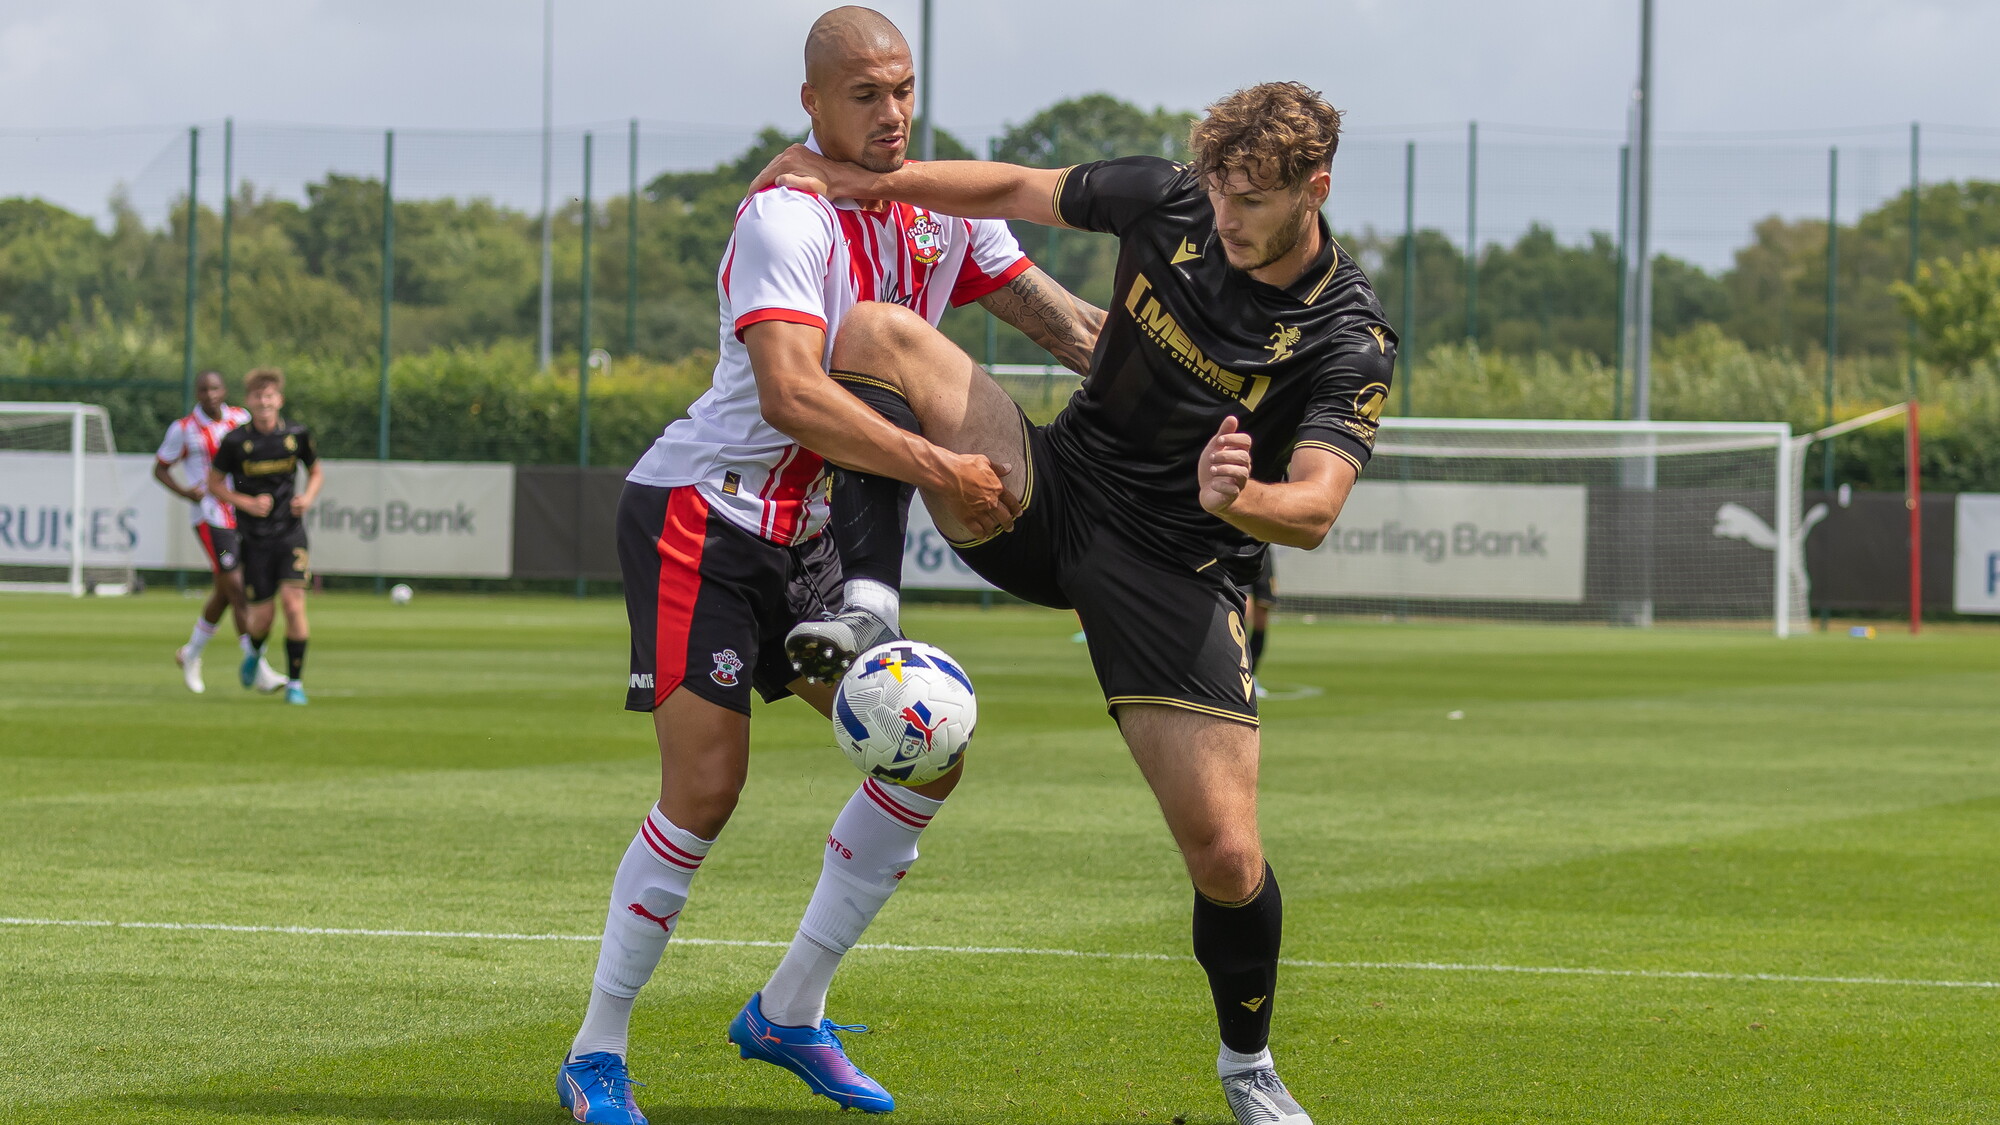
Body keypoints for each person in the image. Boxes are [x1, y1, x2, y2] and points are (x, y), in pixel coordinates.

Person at [759, 80, 1393, 1125]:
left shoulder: (1346, 333)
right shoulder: (1169, 197)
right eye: (1218, 191)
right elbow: (1013, 187)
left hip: (1174, 568)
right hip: (1052, 490)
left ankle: (1248, 1069)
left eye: (1250, 201)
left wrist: (1241, 499)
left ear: (1313, 189)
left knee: (1227, 857)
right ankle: (869, 606)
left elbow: (1316, 507)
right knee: (876, 332)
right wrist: (858, 177)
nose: (1224, 217)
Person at [555, 9, 1102, 1123]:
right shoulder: (785, 215)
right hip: (702, 519)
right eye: (863, 95)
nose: (891, 113)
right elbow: (792, 396)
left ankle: (789, 1010)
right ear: (811, 103)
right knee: (705, 791)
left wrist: (1208, 384)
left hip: (812, 530)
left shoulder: (942, 211)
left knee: (927, 752)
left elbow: (1073, 329)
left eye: (902, 89)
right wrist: (941, 466)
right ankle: (595, 1051)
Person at [152, 370, 279, 694]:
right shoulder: (184, 429)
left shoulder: (240, 418)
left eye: (215, 388)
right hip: (211, 520)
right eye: (203, 390)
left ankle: (191, 653)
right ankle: (258, 666)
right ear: (196, 393)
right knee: (236, 585)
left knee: (226, 591)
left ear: (224, 390)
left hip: (243, 516)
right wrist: (185, 493)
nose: (210, 395)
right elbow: (160, 468)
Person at [206, 368, 323, 707]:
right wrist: (246, 503)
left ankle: (295, 684)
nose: (264, 402)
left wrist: (308, 498)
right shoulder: (235, 442)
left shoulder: (296, 435)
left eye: (269, 395)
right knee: (262, 620)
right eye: (258, 396)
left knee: (293, 605)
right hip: (255, 540)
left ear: (279, 400)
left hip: (290, 534)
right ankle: (255, 653)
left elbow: (316, 471)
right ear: (249, 401)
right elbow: (214, 484)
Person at [1249, 550, 1277, 697]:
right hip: (1234, 547)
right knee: (1243, 610)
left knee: (1261, 618)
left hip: (1261, 550)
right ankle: (1232, 672)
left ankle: (1251, 675)